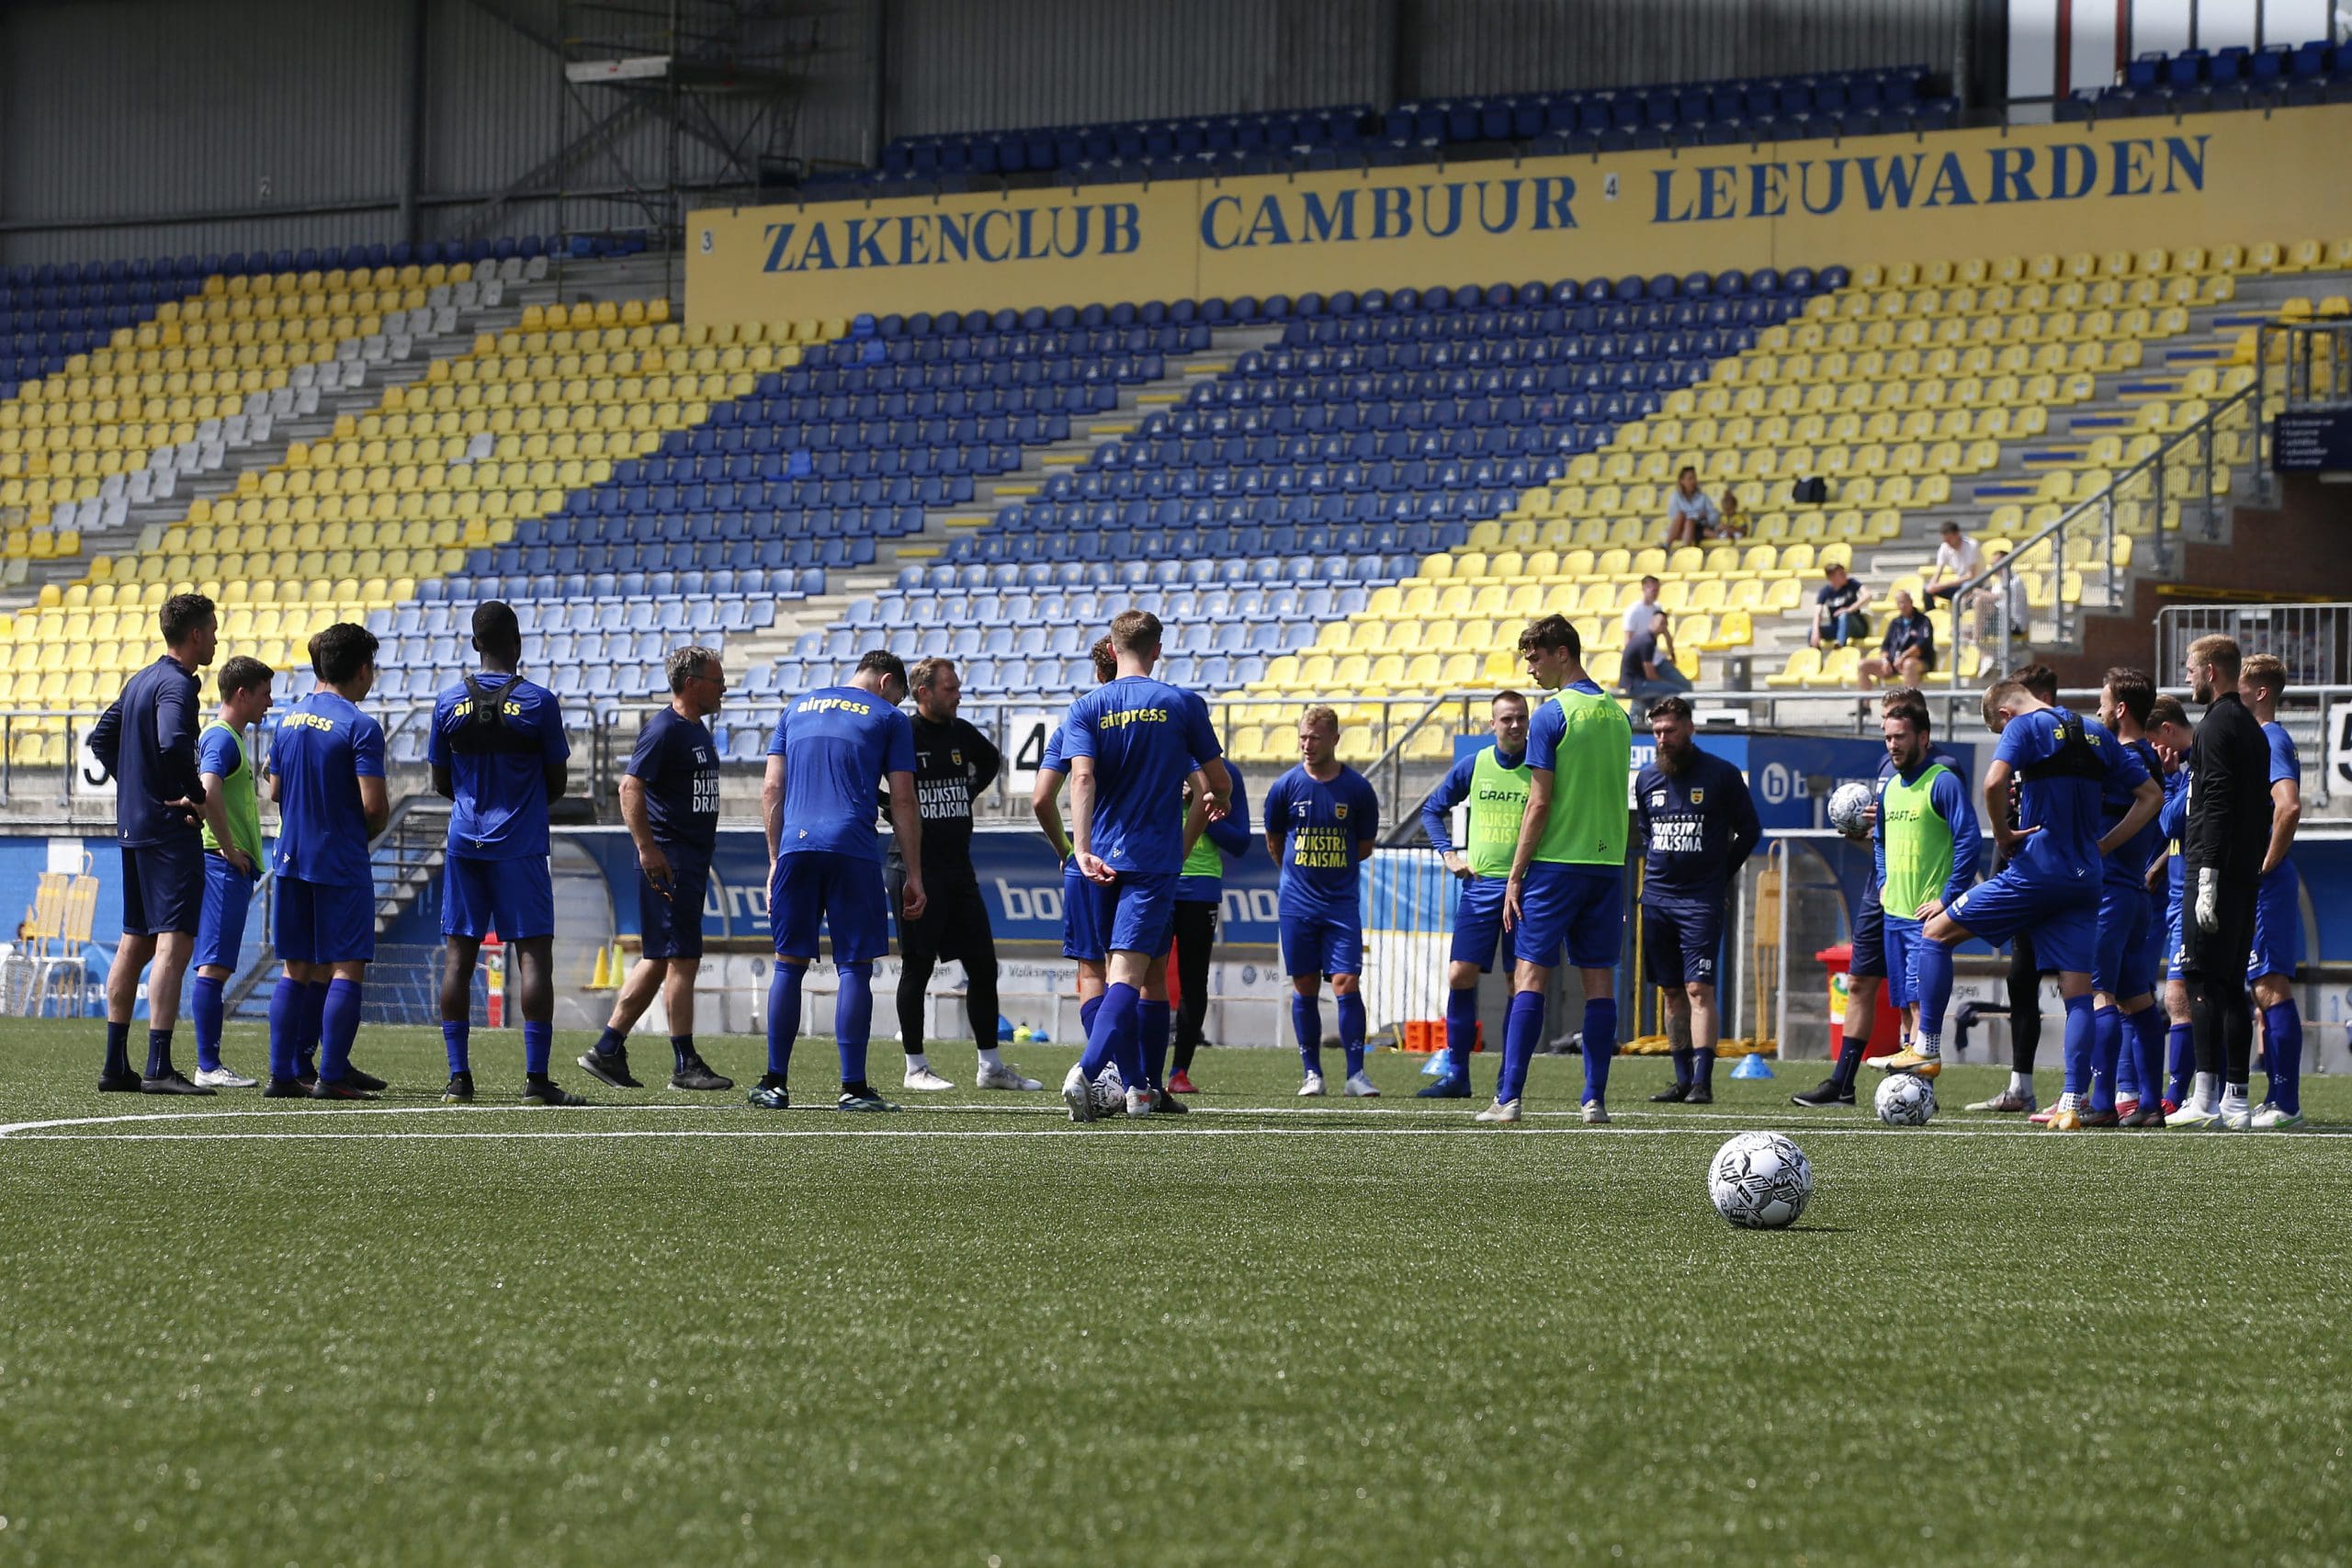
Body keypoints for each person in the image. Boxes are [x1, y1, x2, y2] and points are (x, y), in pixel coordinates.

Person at [1875, 679, 2159, 1125]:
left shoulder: (2024, 726)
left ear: (2005, 715)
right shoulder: (2095, 731)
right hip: (2086, 879)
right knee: (2080, 995)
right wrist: (2102, 846)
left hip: (2036, 872)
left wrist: (2005, 835)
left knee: (1935, 933)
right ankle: (2071, 1103)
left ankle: (1926, 1047)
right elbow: (2152, 797)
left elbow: (1993, 782)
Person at [1059, 610, 1229, 1122]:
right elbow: (1216, 787)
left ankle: (1137, 1089)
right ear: (1158, 650)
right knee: (1131, 976)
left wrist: (1082, 848)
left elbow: (1080, 781)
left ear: (1110, 650)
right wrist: (1183, 843)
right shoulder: (1182, 704)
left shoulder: (1087, 706)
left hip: (1098, 858)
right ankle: (1088, 1072)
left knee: (1101, 973)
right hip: (1152, 861)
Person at [754, 649, 924, 1113]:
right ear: (887, 681)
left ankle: (774, 1083)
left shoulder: (795, 707)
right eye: (898, 694)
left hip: (795, 846)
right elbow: (904, 800)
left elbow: (772, 788)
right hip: (850, 846)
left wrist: (774, 858)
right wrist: (914, 872)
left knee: (788, 964)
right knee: (854, 967)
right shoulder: (889, 718)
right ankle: (852, 1087)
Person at [427, 601, 580, 1107]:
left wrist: (475, 805)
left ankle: (458, 1079)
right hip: (520, 844)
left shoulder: (448, 702)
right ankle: (536, 1082)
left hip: (464, 842)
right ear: (517, 643)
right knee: (533, 955)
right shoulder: (539, 702)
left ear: (475, 644)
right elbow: (557, 780)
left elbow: (440, 781)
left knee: (459, 956)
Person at [1792, 689, 1967, 1109]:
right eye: (1885, 728)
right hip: (1882, 891)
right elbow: (1885, 832)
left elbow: (1949, 833)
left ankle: (1917, 1088)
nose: (1890, 740)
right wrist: (1865, 830)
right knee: (1859, 981)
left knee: (1914, 994)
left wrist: (1946, 894)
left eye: (1897, 728)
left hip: (1920, 894)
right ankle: (1843, 1082)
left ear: (1919, 730)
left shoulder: (1943, 771)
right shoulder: (1887, 767)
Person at [1494, 614, 1632, 1126]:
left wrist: (1515, 875)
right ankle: (1594, 1100)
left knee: (1530, 977)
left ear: (1561, 653)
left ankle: (1508, 1099)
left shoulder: (1552, 715)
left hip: (1555, 867)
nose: (1530, 669)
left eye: (1534, 658)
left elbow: (1539, 802)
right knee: (1600, 985)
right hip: (1606, 867)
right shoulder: (1617, 716)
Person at [579, 646, 733, 1094]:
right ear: (691, 683)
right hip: (671, 858)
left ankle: (608, 1048)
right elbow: (630, 787)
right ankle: (684, 1062)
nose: (722, 688)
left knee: (661, 956)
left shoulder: (695, 730)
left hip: (688, 857)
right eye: (716, 680)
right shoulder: (665, 729)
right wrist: (647, 848)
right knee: (681, 957)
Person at [888, 656, 1041, 1094]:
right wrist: (889, 806)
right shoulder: (902, 733)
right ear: (923, 693)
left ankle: (990, 1066)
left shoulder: (960, 733)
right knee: (916, 968)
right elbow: (865, 780)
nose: (958, 695)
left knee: (983, 966)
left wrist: (969, 790)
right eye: (950, 689)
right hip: (913, 868)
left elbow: (991, 760)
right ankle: (915, 1066)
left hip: (959, 868)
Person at [86, 592, 219, 1095]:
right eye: (211, 629)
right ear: (194, 635)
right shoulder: (179, 685)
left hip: (133, 827)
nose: (215, 638)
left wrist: (135, 788)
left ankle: (114, 1065)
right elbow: (171, 742)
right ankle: (159, 1065)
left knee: (134, 938)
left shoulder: (140, 678)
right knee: (175, 940)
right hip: (167, 831)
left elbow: (102, 739)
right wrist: (191, 795)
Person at [264, 622, 392, 1100]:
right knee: (345, 967)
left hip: (290, 857)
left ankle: (283, 1074)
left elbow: (274, 790)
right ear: (362, 670)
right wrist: (361, 832)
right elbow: (375, 807)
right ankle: (332, 1076)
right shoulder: (360, 726)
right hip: (339, 859)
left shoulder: (290, 719)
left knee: (295, 966)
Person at [2166, 637, 2274, 1129]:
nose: (2186, 677)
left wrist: (2207, 872)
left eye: (2190, 669)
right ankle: (2235, 1097)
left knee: (2203, 980)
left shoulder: (2215, 727)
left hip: (2211, 868)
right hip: (2241, 869)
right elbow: (2262, 808)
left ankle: (2207, 1093)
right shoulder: (2253, 728)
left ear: (2211, 671)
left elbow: (2216, 804)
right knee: (2230, 981)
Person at [1635, 696, 1760, 1105]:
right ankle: (1681, 1078)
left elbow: (1750, 831)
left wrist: (1718, 877)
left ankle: (1704, 1082)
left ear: (1690, 728)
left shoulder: (1721, 775)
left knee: (1698, 987)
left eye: (1670, 730)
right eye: (1656, 732)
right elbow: (1647, 834)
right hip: (1656, 900)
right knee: (1671, 991)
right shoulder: (1647, 779)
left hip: (1699, 902)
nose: (1663, 739)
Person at [1417, 691, 1532, 1100]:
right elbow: (1431, 809)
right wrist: (1448, 854)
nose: (1515, 725)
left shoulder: (1542, 768)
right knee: (1459, 975)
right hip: (1481, 886)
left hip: (1527, 889)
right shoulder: (1476, 764)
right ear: (1492, 724)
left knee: (1519, 984)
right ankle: (1458, 1076)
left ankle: (1508, 1080)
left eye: (1521, 718)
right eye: (1507, 719)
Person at [1262, 705, 1381, 1097]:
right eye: (1302, 737)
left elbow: (1363, 845)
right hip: (1297, 904)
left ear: (1334, 739)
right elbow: (1275, 841)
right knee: (1306, 985)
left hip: (1340, 904)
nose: (1306, 745)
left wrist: (1332, 869)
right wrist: (1300, 874)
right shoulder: (1284, 787)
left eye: (1314, 737)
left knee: (1347, 982)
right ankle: (1312, 1072)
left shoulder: (1358, 789)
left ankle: (1356, 1074)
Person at [1962, 661, 2059, 1116]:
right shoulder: (2022, 745)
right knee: (2022, 978)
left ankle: (2102, 1090)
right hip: (2022, 870)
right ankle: (2021, 1085)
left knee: (2092, 984)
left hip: (2061, 871)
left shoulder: (2068, 740)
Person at [1870, 691, 1980, 1063]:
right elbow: (1880, 842)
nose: (1892, 745)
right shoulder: (1891, 788)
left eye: (1900, 737)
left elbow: (1969, 839)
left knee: (1919, 1005)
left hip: (1925, 918)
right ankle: (1911, 1078)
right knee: (1902, 1003)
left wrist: (1948, 898)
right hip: (1894, 913)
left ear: (1923, 738)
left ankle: (1916, 1076)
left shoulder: (1943, 780)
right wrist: (1884, 881)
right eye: (1887, 738)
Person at [2086, 667, 2169, 1128]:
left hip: (2113, 892)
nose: (2098, 709)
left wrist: (2102, 845)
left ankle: (2101, 1104)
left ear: (2120, 709)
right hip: (2134, 893)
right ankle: (2151, 1105)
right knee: (2137, 1001)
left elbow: (2150, 801)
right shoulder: (2145, 757)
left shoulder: (2128, 759)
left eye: (2103, 701)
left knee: (2101, 994)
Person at [187, 655, 274, 1089]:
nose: (269, 703)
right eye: (263, 694)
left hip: (224, 864)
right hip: (222, 866)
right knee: (215, 967)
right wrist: (228, 848)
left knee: (213, 965)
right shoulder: (222, 739)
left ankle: (208, 1063)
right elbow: (207, 791)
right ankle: (208, 1066)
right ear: (242, 694)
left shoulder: (229, 738)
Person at [2240, 653, 2306, 1129]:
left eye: (2239, 686)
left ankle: (2286, 1103)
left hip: (2268, 885)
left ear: (2260, 692)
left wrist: (2264, 864)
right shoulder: (2261, 739)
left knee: (2271, 985)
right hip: (2262, 885)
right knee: (2262, 987)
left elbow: (2289, 807)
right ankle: (2277, 1098)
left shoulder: (2270, 738)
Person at [1169, 759, 1252, 1096]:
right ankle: (1138, 1070)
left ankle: (1179, 1072)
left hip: (1200, 886)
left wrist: (1201, 804)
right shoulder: (1157, 762)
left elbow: (1241, 841)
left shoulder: (1226, 774)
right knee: (1141, 979)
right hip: (1153, 881)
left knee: (1193, 982)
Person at [2143, 695, 2197, 1114]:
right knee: (2186, 996)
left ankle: (2177, 1096)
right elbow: (2177, 835)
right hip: (2178, 895)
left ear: (2166, 733)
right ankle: (2194, 1092)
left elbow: (2171, 821)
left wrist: (2171, 779)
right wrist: (2162, 862)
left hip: (2197, 894)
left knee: (2179, 997)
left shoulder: (2196, 764)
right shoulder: (2184, 767)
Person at [1858, 590, 1934, 690]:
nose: (1902, 606)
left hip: (1918, 661)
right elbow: (1886, 646)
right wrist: (1885, 661)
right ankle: (1864, 704)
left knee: (1908, 664)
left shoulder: (1923, 621)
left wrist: (1903, 657)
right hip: (1894, 661)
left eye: (1904, 602)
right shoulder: (1895, 623)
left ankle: (1908, 702)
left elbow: (1922, 644)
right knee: (1863, 665)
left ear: (1911, 602)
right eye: (1899, 603)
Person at [1618, 609, 1692, 706]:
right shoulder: (1647, 642)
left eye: (1666, 624)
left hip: (1635, 683)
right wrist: (1664, 682)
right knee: (1680, 693)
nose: (1664, 626)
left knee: (1658, 699)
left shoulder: (1648, 639)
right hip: (1635, 685)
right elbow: (1650, 674)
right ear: (1652, 622)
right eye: (1661, 623)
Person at [1811, 561, 1871, 649]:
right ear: (1832, 578)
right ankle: (1816, 658)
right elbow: (1818, 612)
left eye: (1844, 573)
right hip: (1837, 627)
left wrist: (1849, 609)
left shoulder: (1852, 583)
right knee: (1811, 632)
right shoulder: (1825, 591)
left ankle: (1840, 646)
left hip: (1857, 627)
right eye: (1841, 574)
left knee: (1844, 615)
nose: (1845, 575)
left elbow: (1868, 595)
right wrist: (1815, 631)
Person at [1922, 520, 1984, 604]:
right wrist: (1932, 585)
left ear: (1957, 534)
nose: (1948, 543)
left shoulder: (1971, 545)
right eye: (1945, 540)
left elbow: (1970, 576)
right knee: (1927, 590)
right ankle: (1931, 615)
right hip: (1960, 584)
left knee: (1966, 588)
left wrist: (1942, 585)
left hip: (1977, 584)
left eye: (1950, 539)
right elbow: (1938, 572)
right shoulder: (1945, 547)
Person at [1665, 465, 1720, 547]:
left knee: (1690, 522)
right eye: (1690, 479)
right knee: (1681, 515)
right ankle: (1669, 545)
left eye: (1694, 478)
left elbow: (1714, 517)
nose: (1693, 481)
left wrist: (1706, 517)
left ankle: (1678, 547)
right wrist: (1696, 515)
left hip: (1698, 527)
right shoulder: (1675, 497)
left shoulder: (1703, 497)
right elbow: (1673, 518)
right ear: (1682, 481)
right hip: (1680, 529)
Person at [1619, 576, 1665, 643]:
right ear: (1644, 589)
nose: (1656, 593)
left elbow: (1664, 631)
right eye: (1654, 590)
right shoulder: (1633, 610)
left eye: (1657, 590)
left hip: (1651, 649)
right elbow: (1628, 638)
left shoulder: (1658, 607)